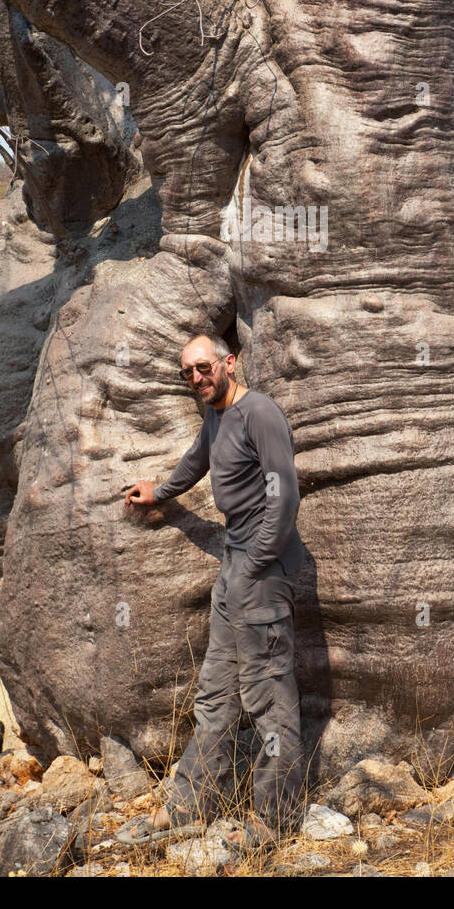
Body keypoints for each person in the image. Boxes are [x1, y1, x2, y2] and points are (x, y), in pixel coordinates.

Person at [124, 333, 305, 840]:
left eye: (203, 367)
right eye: (187, 372)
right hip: (235, 566)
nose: (196, 378)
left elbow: (285, 498)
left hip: (262, 573)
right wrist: (158, 490)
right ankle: (191, 804)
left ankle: (276, 820)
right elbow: (196, 458)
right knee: (215, 693)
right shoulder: (216, 415)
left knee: (269, 696)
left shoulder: (259, 413)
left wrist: (253, 568)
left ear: (228, 363)